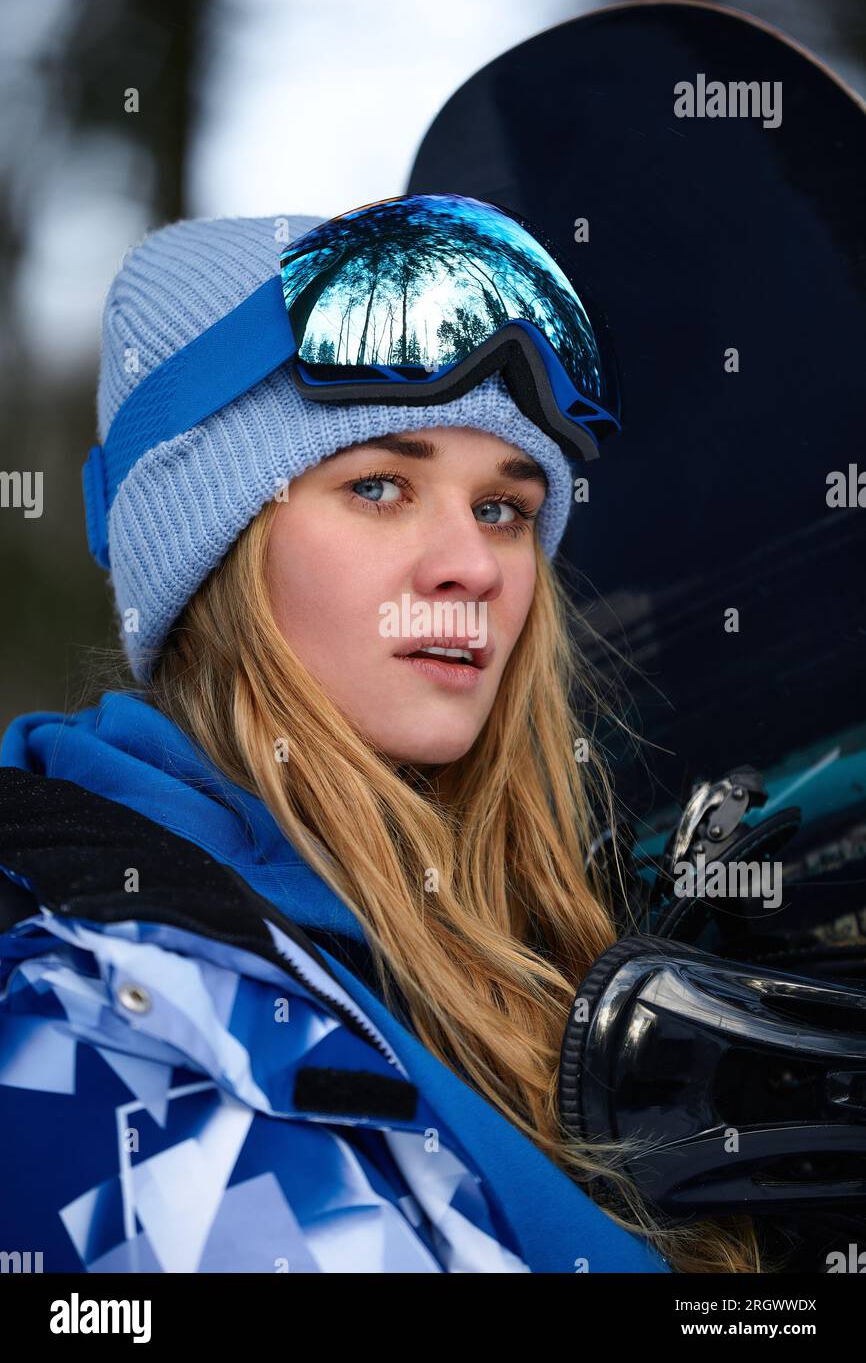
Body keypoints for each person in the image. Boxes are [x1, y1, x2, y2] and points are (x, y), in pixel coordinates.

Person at [0, 196, 772, 1273]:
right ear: (214, 557)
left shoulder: (532, 955)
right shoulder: (93, 1027)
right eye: (378, 486)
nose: (472, 564)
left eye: (502, 506)